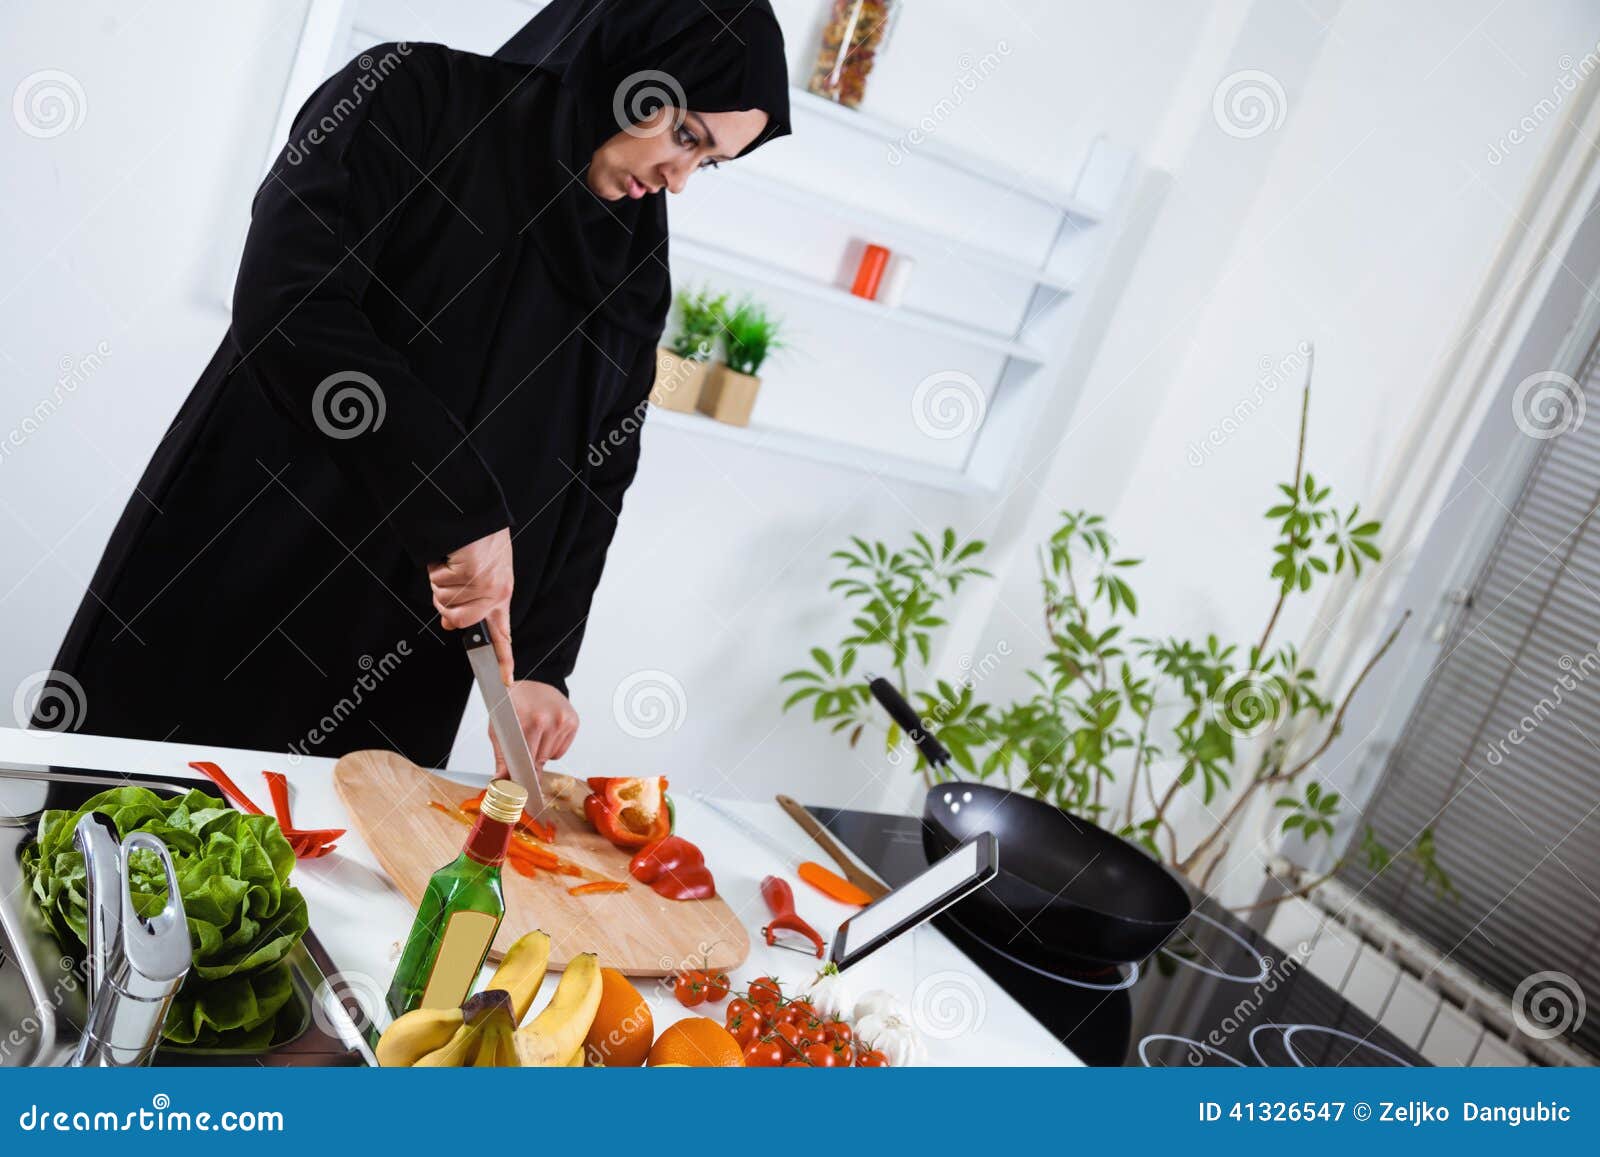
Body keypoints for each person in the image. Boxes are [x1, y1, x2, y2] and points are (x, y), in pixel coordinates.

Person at [38, 0, 790, 792]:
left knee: (342, 859)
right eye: (685, 135)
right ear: (631, 63)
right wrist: (458, 505)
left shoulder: (633, 259)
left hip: (407, 665)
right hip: (251, 570)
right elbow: (291, 306)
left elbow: (600, 468)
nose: (680, 179)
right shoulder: (411, 96)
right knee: (125, 841)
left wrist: (542, 661)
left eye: (709, 162)